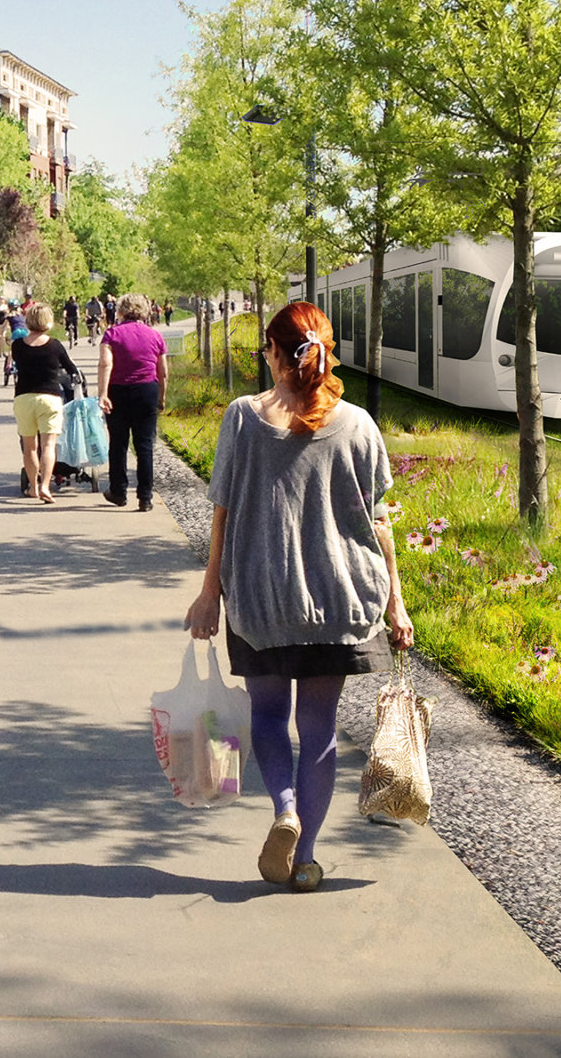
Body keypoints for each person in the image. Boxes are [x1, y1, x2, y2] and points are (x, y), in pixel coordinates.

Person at [183, 301, 412, 895]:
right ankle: (306, 855)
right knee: (319, 727)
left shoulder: (241, 418)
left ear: (277, 354)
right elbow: (379, 523)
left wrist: (210, 593)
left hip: (260, 597)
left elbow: (222, 514)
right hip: (338, 600)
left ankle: (282, 808)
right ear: (325, 350)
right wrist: (396, 606)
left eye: (266, 348)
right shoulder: (359, 424)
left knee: (266, 717)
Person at [97, 294, 169, 510]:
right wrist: (161, 396)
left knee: (118, 443)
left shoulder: (111, 334)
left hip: (118, 391)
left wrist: (103, 393)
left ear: (120, 311)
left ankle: (118, 492)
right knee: (144, 445)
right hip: (147, 389)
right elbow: (163, 372)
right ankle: (145, 497)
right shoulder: (155, 336)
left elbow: (105, 364)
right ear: (144, 310)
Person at [9, 302, 79, 503]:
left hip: (24, 398)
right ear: (48, 322)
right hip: (50, 398)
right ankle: (46, 486)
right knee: (49, 445)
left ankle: (33, 486)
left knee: (30, 445)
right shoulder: (55, 345)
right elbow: (71, 368)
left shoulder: (17, 346)